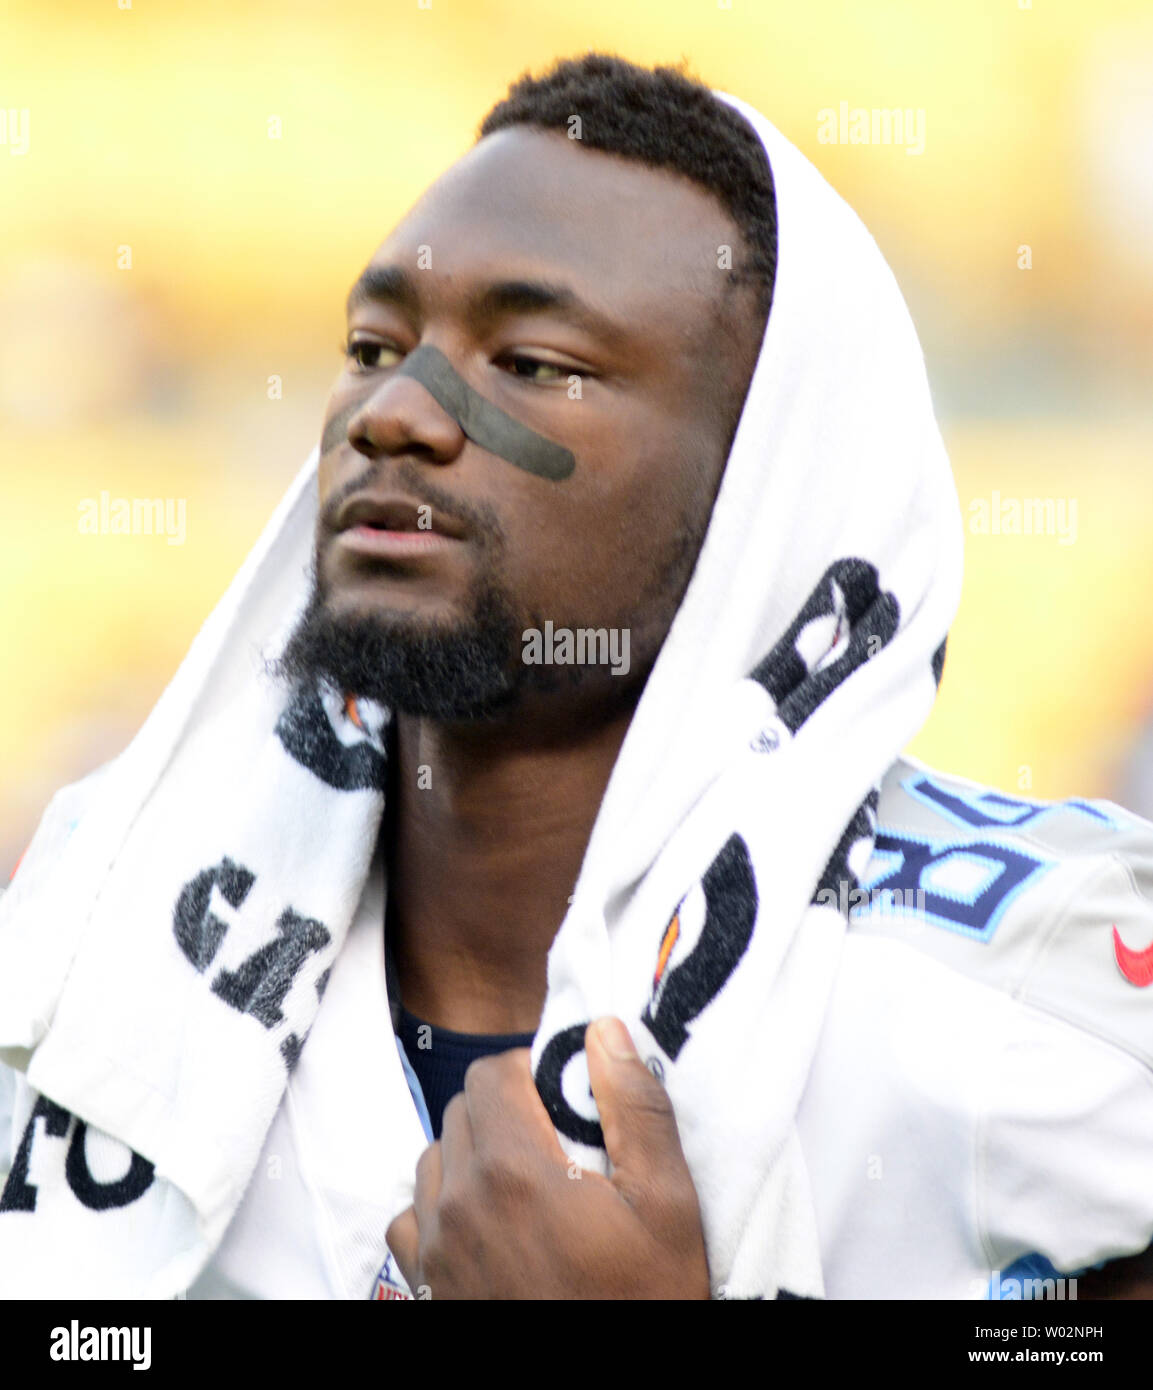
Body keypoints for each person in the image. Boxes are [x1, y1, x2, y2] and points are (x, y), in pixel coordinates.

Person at [2, 53, 1153, 1302]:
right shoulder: (81, 965)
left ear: (758, 487)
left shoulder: (1043, 994)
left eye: (537, 363)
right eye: (374, 342)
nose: (397, 409)